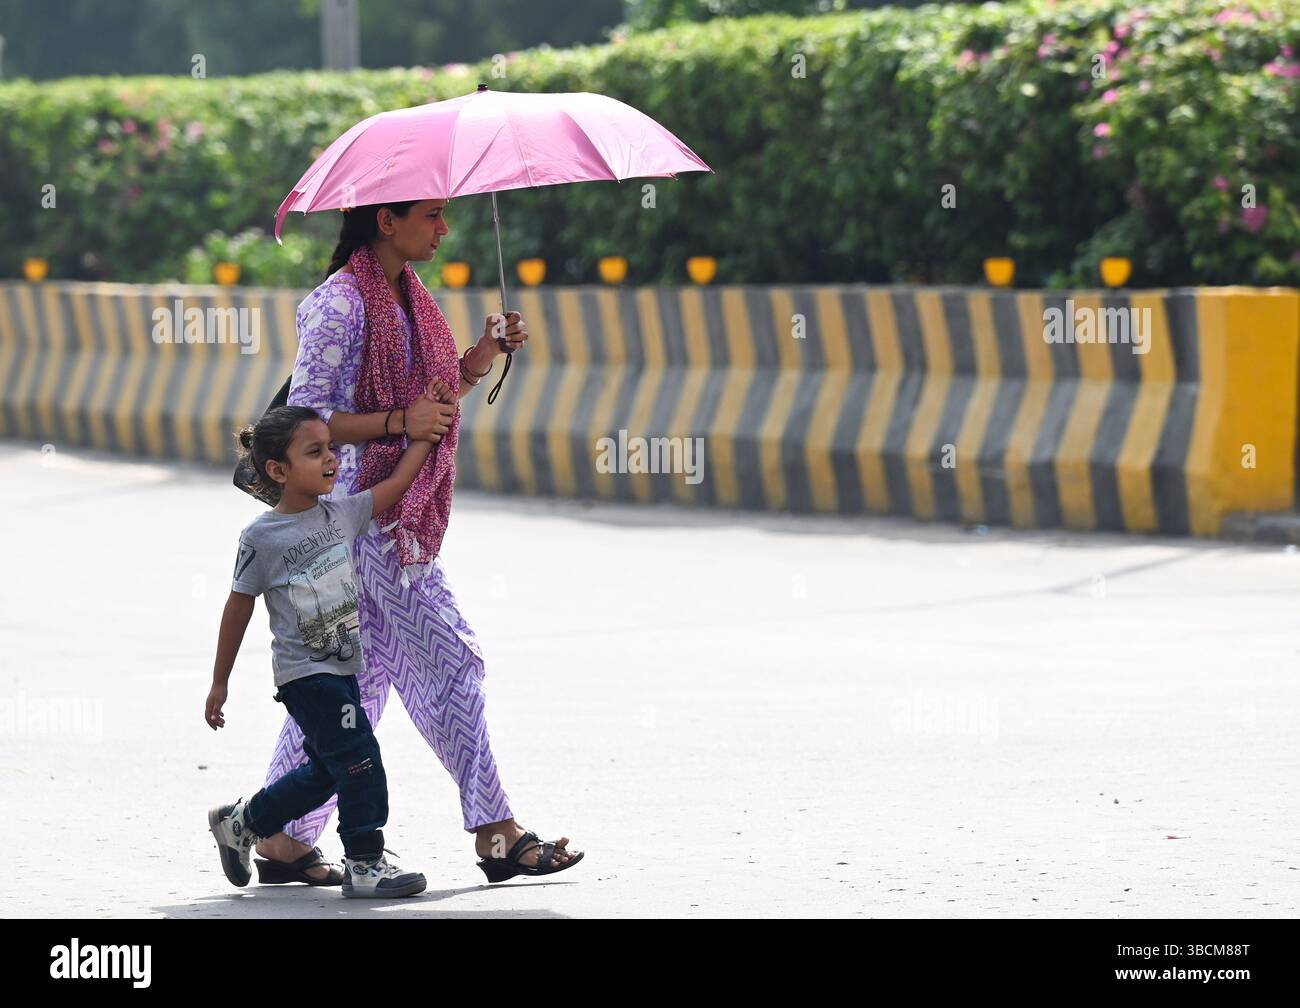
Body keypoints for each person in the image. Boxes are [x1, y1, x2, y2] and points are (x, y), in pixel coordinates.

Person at [251, 197, 582, 884]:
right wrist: (402, 417)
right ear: (386, 221)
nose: (443, 227)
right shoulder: (339, 304)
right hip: (364, 520)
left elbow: (436, 401)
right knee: (451, 660)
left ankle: (281, 838)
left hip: (393, 511)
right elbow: (305, 423)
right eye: (430, 214)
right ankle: (497, 831)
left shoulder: (411, 298)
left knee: (356, 686)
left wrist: (481, 356)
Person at [206, 394, 449, 897]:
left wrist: (424, 438)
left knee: (326, 771)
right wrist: (219, 681)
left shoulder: (341, 513)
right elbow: (238, 608)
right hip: (306, 676)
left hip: (342, 669)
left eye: (330, 448)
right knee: (361, 761)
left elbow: (396, 485)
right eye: (314, 452)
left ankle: (243, 822)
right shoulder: (262, 536)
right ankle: (365, 862)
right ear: (277, 469)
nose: (331, 459)